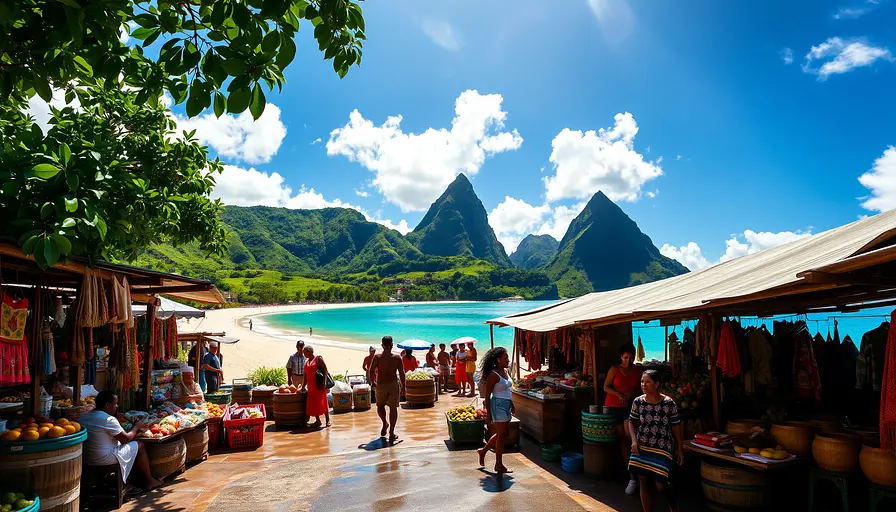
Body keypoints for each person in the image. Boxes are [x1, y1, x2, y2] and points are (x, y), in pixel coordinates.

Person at [80, 391, 163, 491]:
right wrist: (136, 427)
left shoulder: (83, 416)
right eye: (115, 404)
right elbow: (125, 439)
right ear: (107, 405)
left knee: (129, 447)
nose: (116, 406)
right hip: (105, 458)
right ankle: (149, 480)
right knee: (140, 445)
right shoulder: (108, 419)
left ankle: (128, 483)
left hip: (87, 457)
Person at [627, 370, 684, 512]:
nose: (643, 385)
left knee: (661, 484)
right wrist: (634, 441)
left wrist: (680, 448)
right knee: (643, 482)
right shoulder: (638, 402)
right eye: (642, 382)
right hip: (642, 446)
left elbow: (676, 426)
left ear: (657, 384)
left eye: (647, 382)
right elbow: (631, 422)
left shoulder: (668, 403)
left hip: (663, 447)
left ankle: (673, 506)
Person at [603, 343, 644, 495]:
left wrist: (634, 392)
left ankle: (639, 471)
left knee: (631, 437)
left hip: (630, 407)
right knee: (621, 439)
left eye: (631, 358)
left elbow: (642, 387)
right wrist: (619, 394)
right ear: (621, 357)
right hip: (613, 407)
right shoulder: (614, 369)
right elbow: (606, 387)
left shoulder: (638, 370)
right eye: (626, 358)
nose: (628, 361)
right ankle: (632, 476)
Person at [477, 347, 515, 474]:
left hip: (506, 405)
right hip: (497, 405)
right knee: (502, 434)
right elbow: (487, 395)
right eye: (505, 358)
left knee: (503, 434)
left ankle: (483, 451)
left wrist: (512, 404)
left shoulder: (505, 371)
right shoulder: (493, 374)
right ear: (498, 359)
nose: (508, 360)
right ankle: (498, 465)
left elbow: (507, 390)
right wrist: (488, 414)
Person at [368, 336, 405, 442]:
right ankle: (391, 432)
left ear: (382, 345)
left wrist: (372, 383)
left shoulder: (378, 357)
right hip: (393, 384)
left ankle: (385, 423)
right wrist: (404, 386)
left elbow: (371, 371)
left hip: (381, 384)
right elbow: (402, 373)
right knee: (393, 409)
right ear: (392, 345)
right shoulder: (397, 358)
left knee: (380, 406)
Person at [301, 345, 331, 428]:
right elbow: (305, 375)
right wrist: (303, 385)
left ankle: (327, 419)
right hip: (311, 387)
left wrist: (324, 383)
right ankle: (318, 420)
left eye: (305, 353)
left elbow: (325, 370)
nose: (304, 354)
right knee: (313, 403)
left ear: (310, 352)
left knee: (323, 402)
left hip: (319, 385)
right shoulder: (306, 362)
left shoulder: (318, 359)